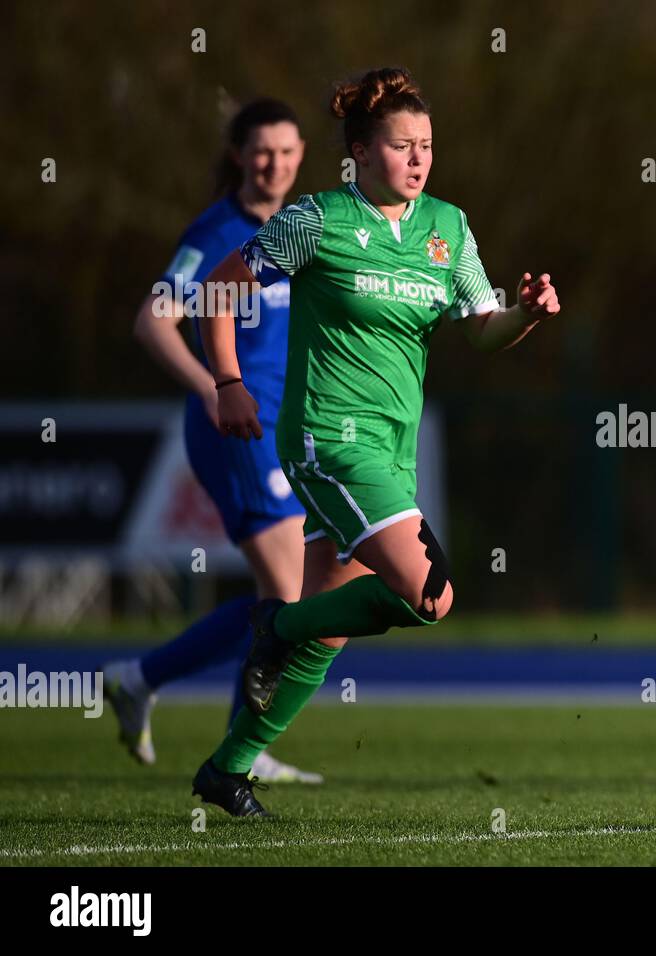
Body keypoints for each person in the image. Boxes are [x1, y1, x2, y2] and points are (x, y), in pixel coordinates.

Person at [188, 67, 560, 817]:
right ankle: (274, 622)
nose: (419, 159)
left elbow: (482, 329)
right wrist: (227, 383)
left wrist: (525, 313)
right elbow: (217, 290)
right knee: (429, 595)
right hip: (328, 436)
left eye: (427, 145)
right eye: (401, 146)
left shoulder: (448, 229)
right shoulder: (316, 220)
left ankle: (227, 769)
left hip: (391, 449)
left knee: (329, 637)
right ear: (358, 151)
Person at [104, 98, 322, 784]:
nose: (276, 164)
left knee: (281, 599)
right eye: (262, 151)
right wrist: (209, 385)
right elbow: (152, 321)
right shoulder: (215, 231)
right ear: (238, 155)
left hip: (280, 429)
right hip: (235, 430)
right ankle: (241, 747)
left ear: (303, 153)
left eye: (288, 152)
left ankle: (143, 679)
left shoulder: (297, 228)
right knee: (289, 598)